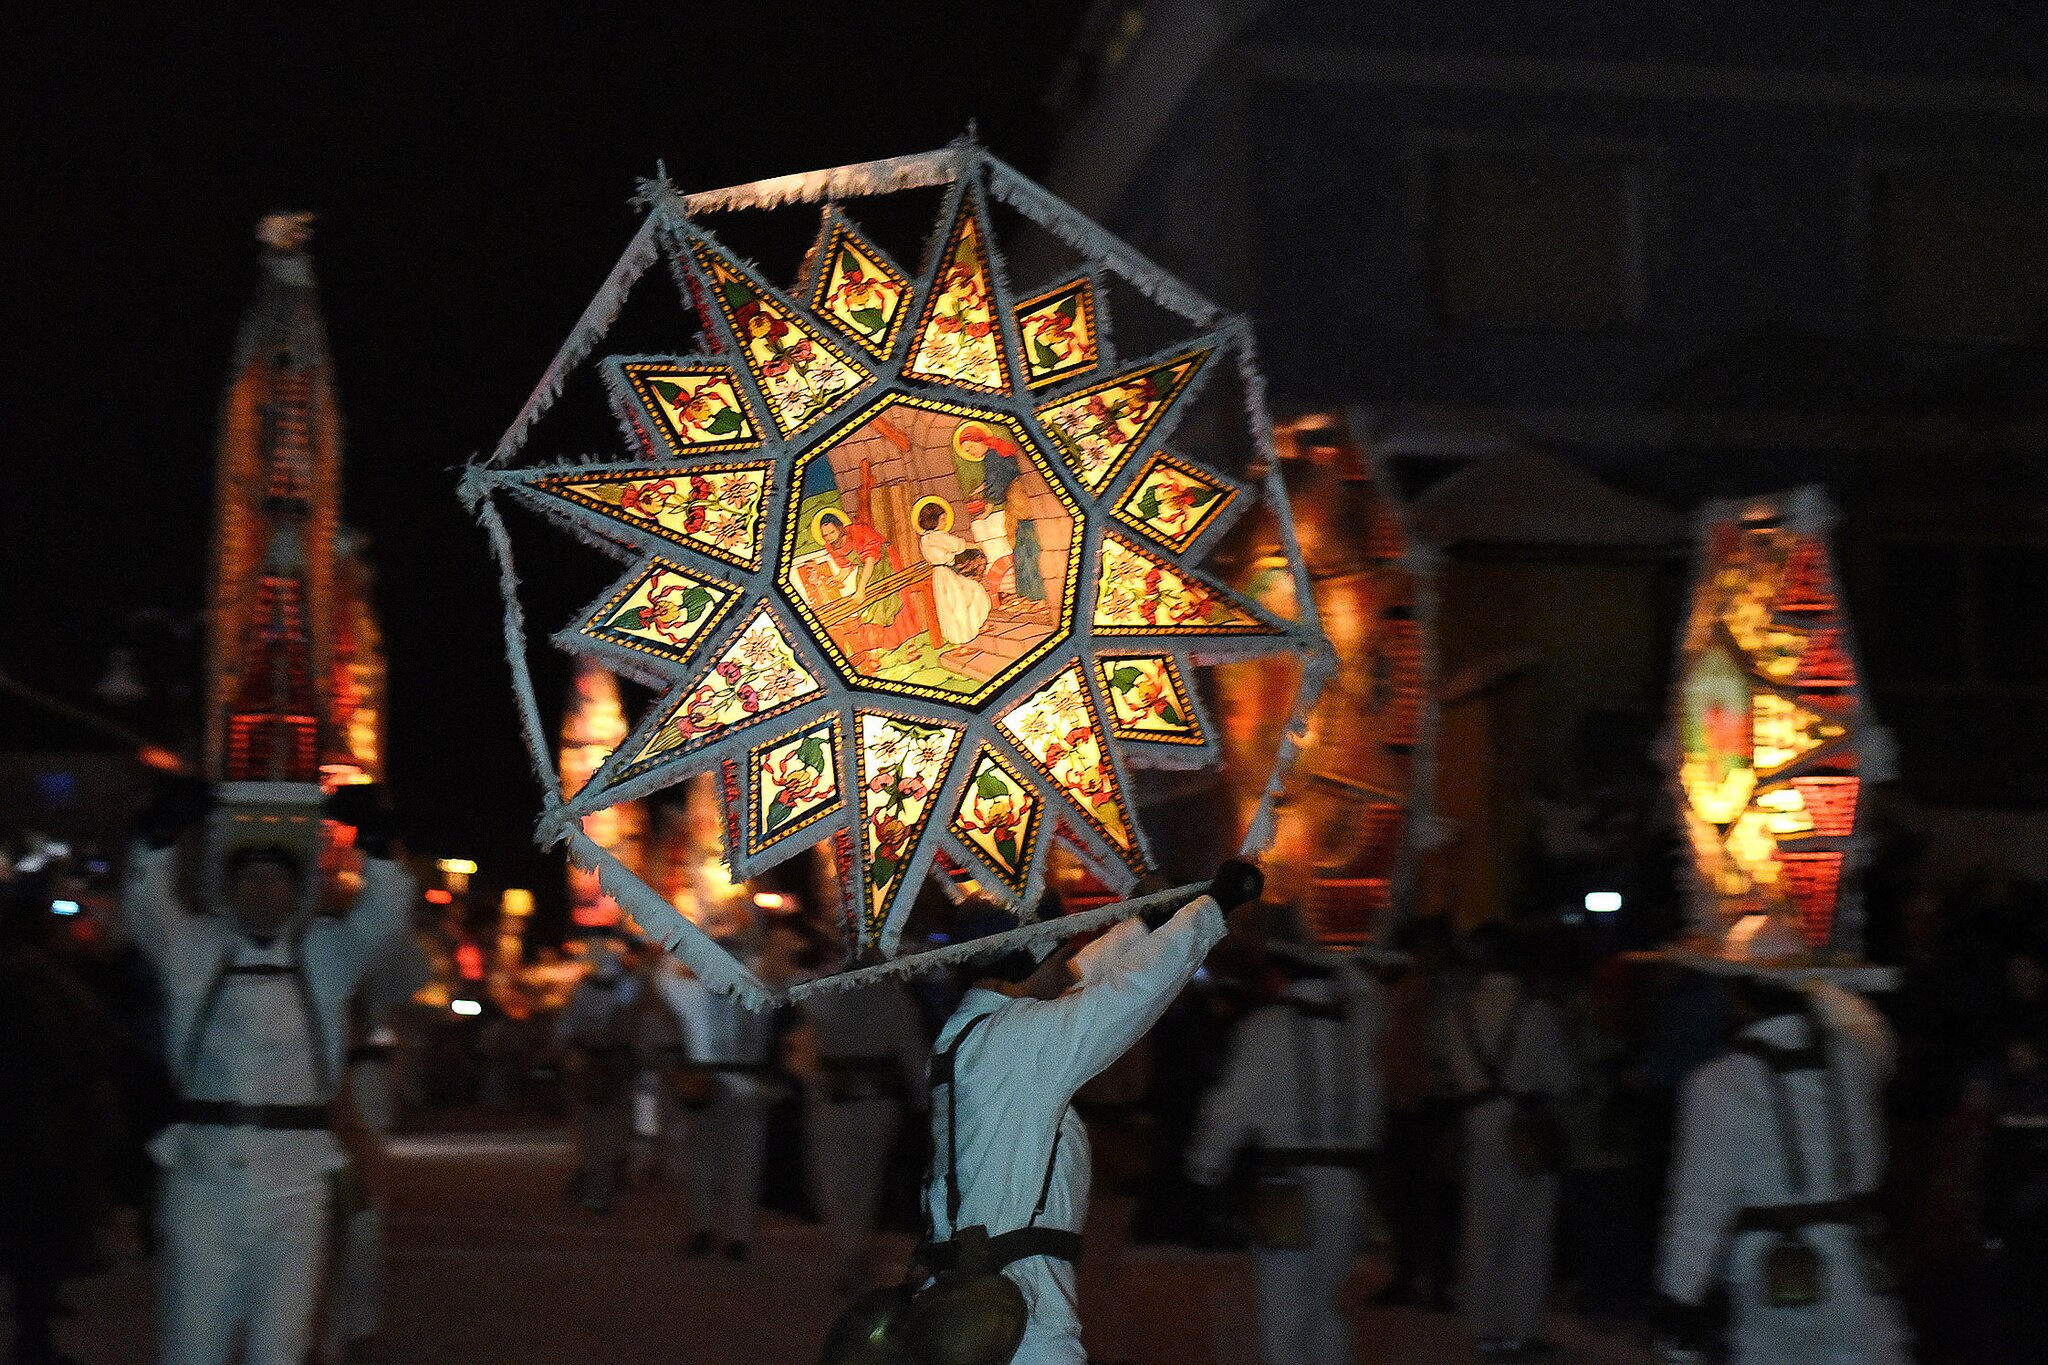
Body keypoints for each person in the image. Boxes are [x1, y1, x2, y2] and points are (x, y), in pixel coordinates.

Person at [918, 861, 1262, 1365]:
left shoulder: (971, 1034)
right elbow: (1126, 995)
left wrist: (1147, 923)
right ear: (1032, 956)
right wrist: (1212, 910)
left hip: (965, 1305)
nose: (1070, 965)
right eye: (1061, 952)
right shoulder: (1017, 1042)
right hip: (1018, 1313)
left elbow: (1085, 980)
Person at [123, 778, 413, 1365]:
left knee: (281, 1348)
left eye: (276, 879)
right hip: (204, 1177)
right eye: (249, 878)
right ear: (228, 889)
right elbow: (146, 905)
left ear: (297, 891)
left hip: (296, 1186)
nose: (262, 891)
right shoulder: (193, 947)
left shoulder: (325, 954)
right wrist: (157, 836)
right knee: (192, 1346)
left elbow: (383, 917)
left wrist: (379, 846)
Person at [1655, 919, 1911, 1365]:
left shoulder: (1718, 1084)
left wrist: (1678, 1303)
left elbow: (1698, 1207)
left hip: (1772, 1288)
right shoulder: (1855, 1061)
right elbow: (1873, 1152)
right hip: (1859, 1273)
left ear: (1737, 993)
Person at [1186, 904, 1387, 1365]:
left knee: (1283, 1310)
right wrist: (1343, 963)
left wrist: (1203, 1167)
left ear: (1281, 970)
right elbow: (1373, 999)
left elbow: (1230, 1106)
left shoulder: (1265, 1029)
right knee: (1327, 1305)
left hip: (1285, 1189)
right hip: (1347, 1184)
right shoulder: (1359, 1028)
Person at [1438, 924, 1577, 1356]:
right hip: (1527, 1133)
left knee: (1482, 1232)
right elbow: (1562, 1078)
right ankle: (1522, 1328)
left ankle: (1486, 1329)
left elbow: (1449, 1073)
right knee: (1529, 1234)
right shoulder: (1536, 1014)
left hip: (1477, 1132)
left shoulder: (1458, 1015)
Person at [1, 871, 117, 1365]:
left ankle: (35, 1332)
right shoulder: (34, 981)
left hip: (38, 1129)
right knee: (36, 1237)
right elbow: (54, 1059)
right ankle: (33, 1341)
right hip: (39, 1133)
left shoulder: (37, 976)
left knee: (34, 1240)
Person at [787, 932, 928, 1293]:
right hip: (879, 1101)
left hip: (833, 1098)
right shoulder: (892, 995)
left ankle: (849, 1253)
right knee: (866, 1179)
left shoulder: (824, 992)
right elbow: (911, 1049)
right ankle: (855, 1248)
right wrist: (923, 1099)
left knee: (834, 1181)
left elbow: (795, 1008)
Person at [655, 953, 775, 1259]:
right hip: (738, 1084)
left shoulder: (696, 997)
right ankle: (734, 1235)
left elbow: (663, 978)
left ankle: (706, 1229)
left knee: (706, 1160)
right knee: (739, 1163)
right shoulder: (757, 997)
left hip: (713, 1083)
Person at [554, 939, 640, 1213]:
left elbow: (565, 1028)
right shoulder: (627, 987)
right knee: (609, 1127)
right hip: (610, 1063)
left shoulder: (585, 991)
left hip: (594, 1063)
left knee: (592, 1127)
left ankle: (594, 1180)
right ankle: (601, 1181)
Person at [918, 500, 993, 646]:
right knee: (961, 601)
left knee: (958, 602)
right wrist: (976, 545)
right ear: (934, 521)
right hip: (947, 574)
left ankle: (974, 626)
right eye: (942, 519)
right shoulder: (936, 536)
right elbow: (957, 545)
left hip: (942, 574)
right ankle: (963, 638)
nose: (945, 522)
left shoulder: (925, 538)